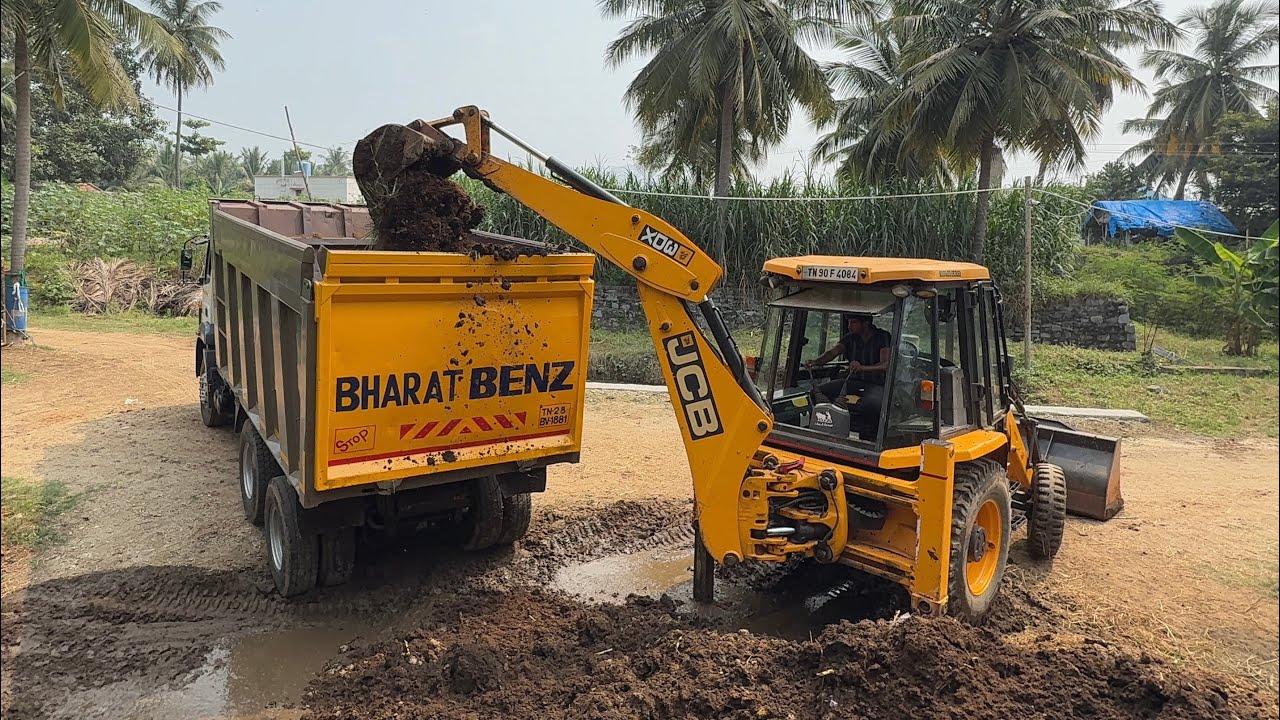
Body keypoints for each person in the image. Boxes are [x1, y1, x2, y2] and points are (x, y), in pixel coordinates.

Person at [803, 314, 892, 427]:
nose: (849, 326)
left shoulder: (882, 337)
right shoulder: (849, 338)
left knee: (872, 404)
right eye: (848, 323)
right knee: (817, 393)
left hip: (876, 383)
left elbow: (886, 364)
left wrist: (862, 368)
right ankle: (828, 425)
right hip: (852, 381)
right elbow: (832, 353)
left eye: (853, 323)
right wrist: (815, 362)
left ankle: (869, 437)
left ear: (866, 323)